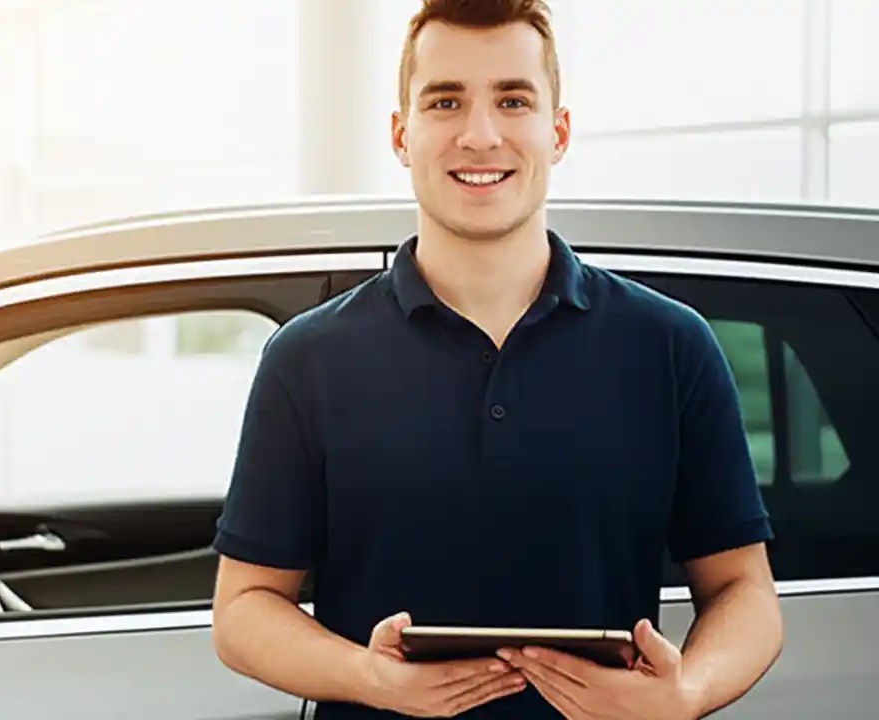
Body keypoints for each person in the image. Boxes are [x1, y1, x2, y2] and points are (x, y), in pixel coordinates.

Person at [209, 1, 783, 718]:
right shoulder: (307, 358)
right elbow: (243, 609)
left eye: (513, 100)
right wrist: (365, 674)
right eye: (445, 101)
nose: (480, 135)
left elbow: (744, 591)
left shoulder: (671, 346)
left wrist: (686, 693)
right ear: (401, 134)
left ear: (559, 130)